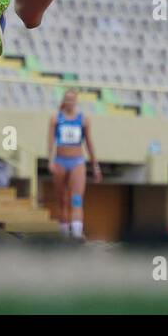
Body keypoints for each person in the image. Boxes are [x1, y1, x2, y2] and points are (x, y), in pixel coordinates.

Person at [46, 89, 101, 239]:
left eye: (73, 99)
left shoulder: (83, 120)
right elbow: (51, 142)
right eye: (67, 99)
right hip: (60, 161)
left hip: (77, 161)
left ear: (76, 102)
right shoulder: (55, 119)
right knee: (62, 200)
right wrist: (50, 160)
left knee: (76, 199)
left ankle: (77, 233)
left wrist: (95, 165)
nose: (70, 102)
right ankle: (64, 233)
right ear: (64, 101)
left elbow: (89, 143)